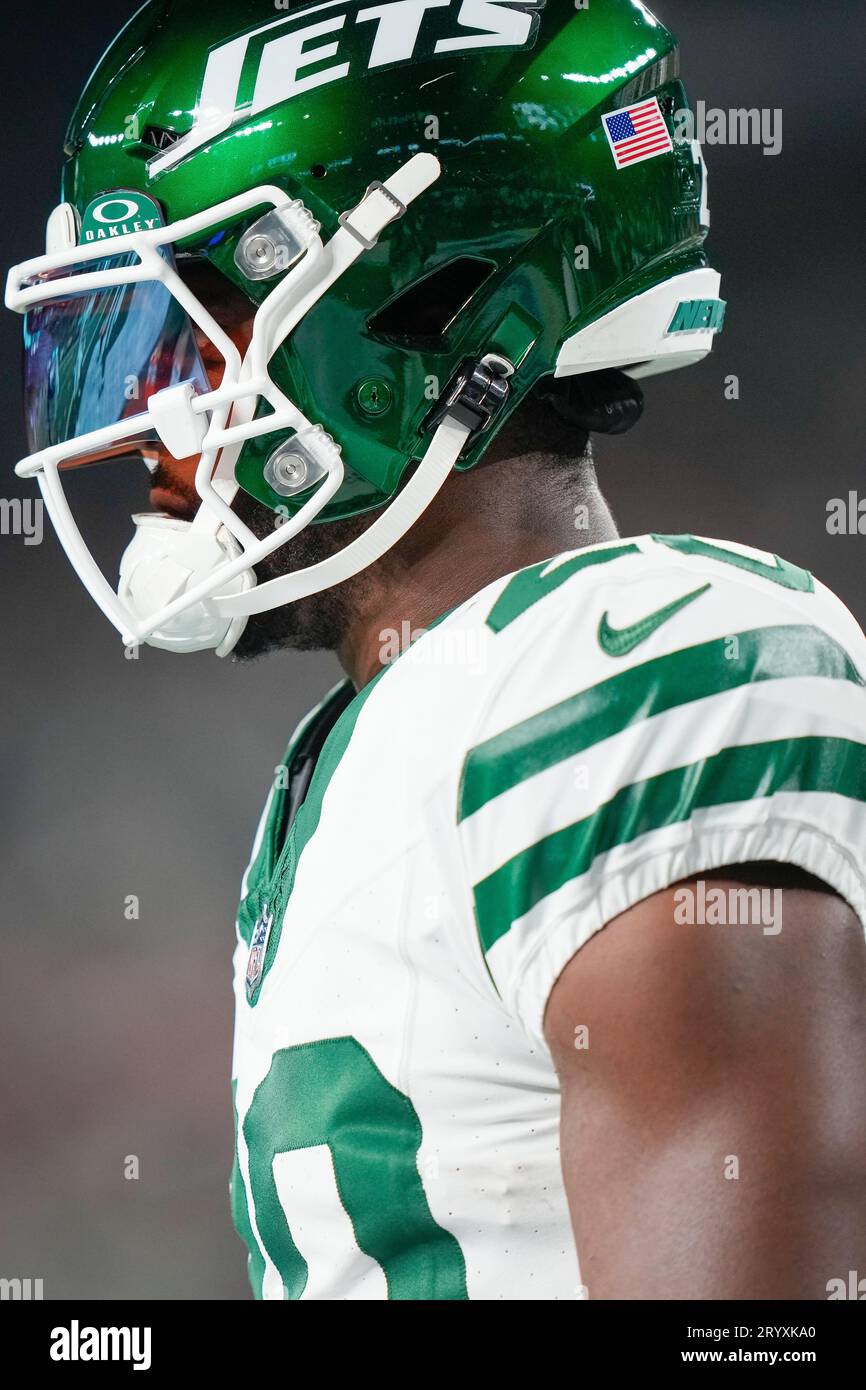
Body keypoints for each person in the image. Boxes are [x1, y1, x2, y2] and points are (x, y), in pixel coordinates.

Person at [7, 0, 866, 1300]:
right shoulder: (379, 740)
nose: (144, 418)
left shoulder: (626, 661)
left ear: (415, 306)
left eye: (183, 337)